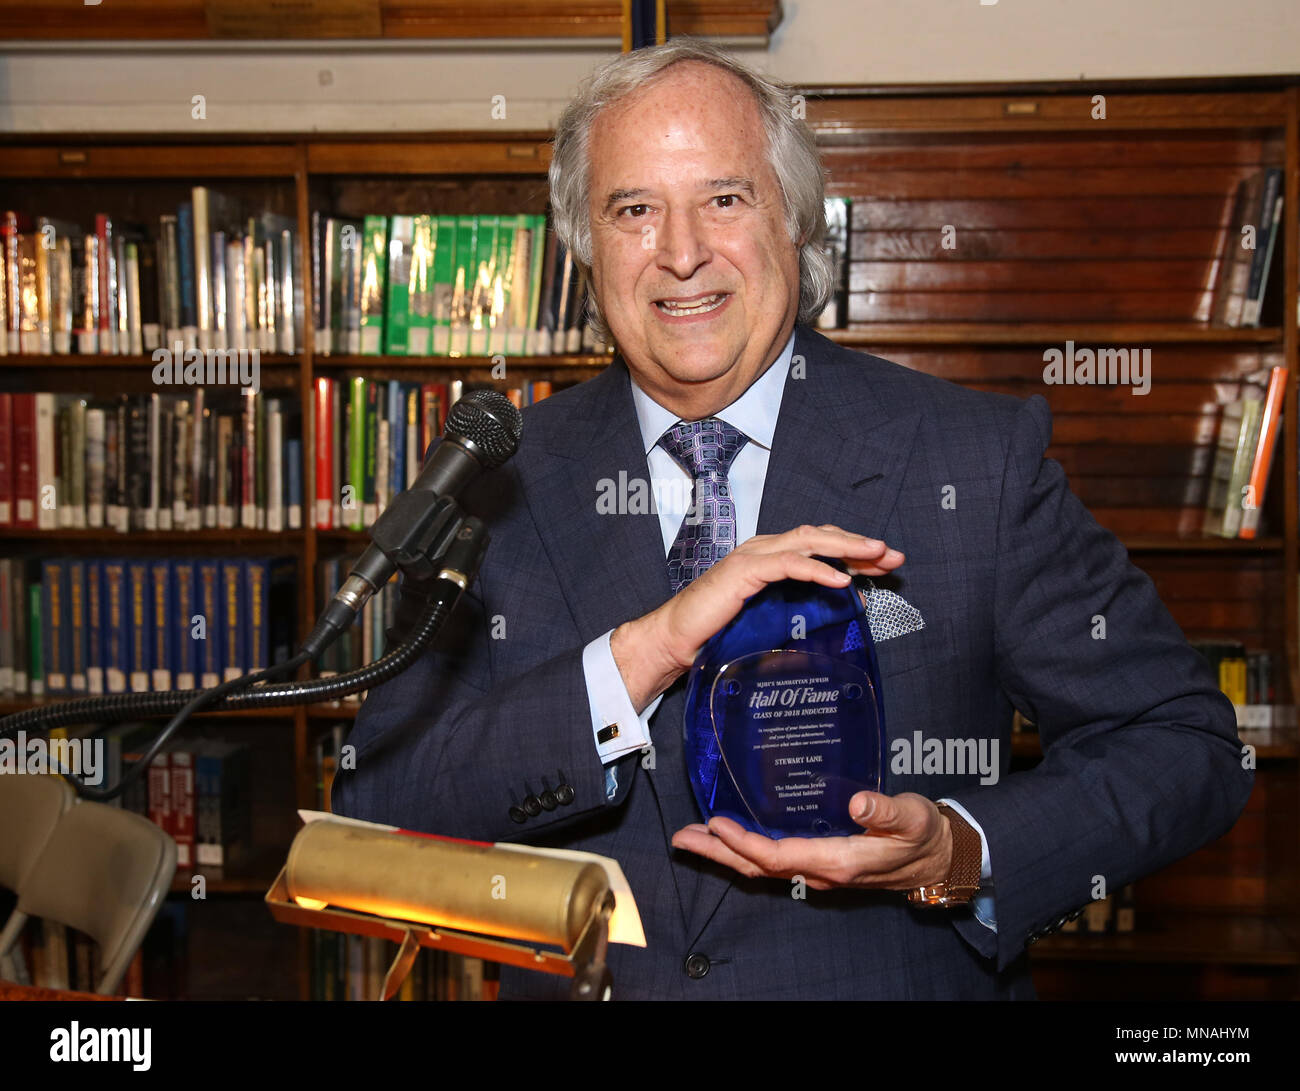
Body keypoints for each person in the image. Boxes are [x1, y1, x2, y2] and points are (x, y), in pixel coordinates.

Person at [330, 38, 1252, 1000]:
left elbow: (1187, 744)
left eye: (725, 199)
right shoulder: (497, 479)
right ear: (585, 246)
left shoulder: (971, 458)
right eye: (634, 209)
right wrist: (638, 656)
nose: (681, 253)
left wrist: (959, 848)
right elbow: (376, 814)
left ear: (795, 222)